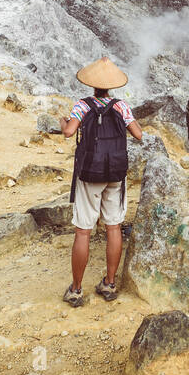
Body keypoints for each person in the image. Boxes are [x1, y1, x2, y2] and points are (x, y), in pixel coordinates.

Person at [59, 57, 142, 307]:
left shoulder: (82, 105)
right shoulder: (121, 107)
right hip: (115, 172)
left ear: (92, 84)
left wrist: (63, 122)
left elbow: (69, 131)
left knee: (84, 230)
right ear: (112, 85)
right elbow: (138, 134)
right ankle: (109, 283)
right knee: (113, 227)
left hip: (90, 172)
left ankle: (75, 290)